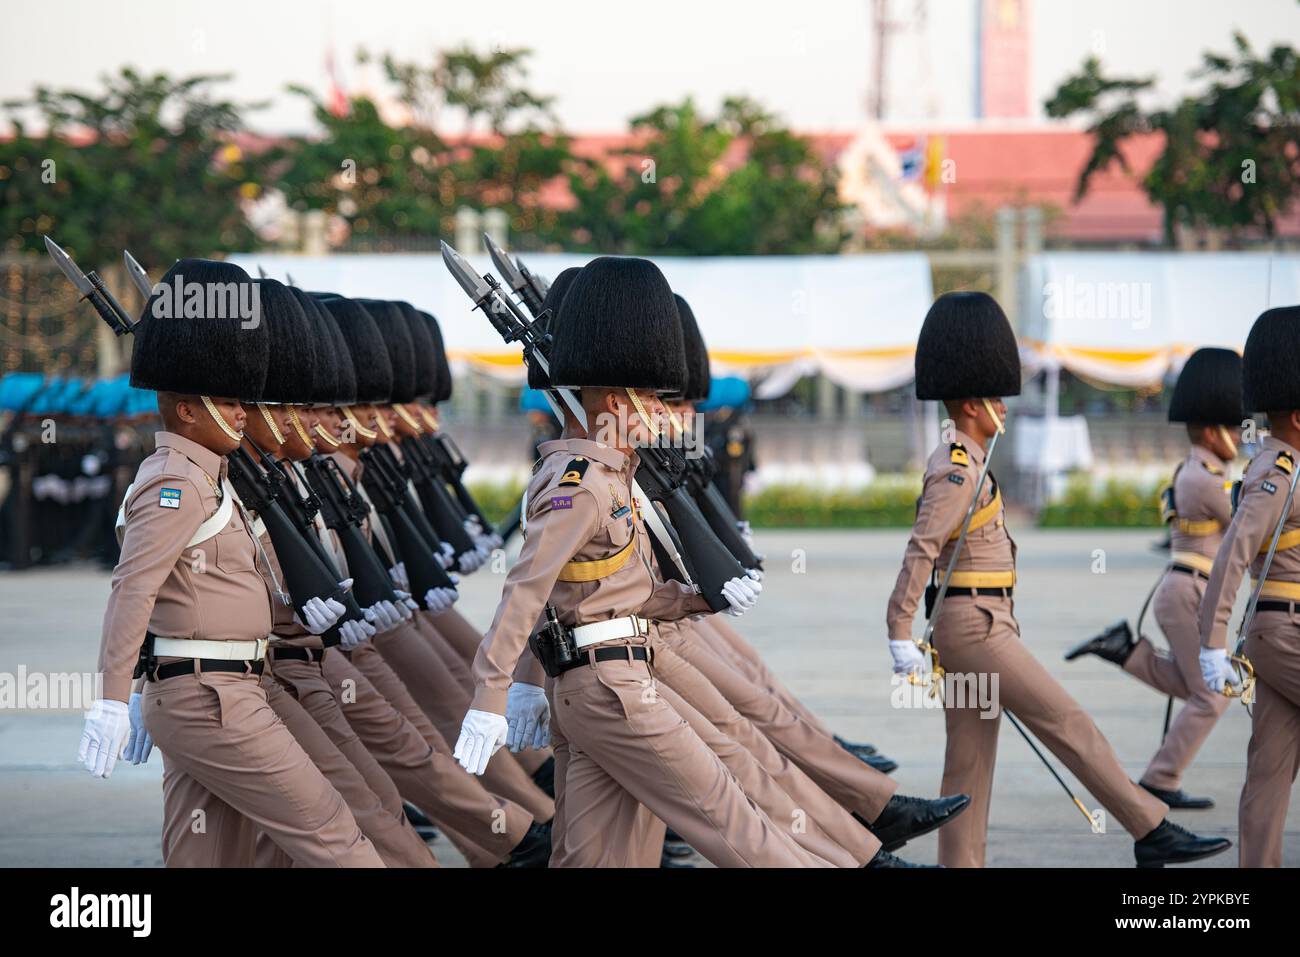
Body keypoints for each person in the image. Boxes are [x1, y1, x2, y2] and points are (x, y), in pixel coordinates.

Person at [456, 256, 837, 866]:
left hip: (603, 683)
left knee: (595, 858)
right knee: (742, 829)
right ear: (611, 398)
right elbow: (525, 592)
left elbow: (619, 593)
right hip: (614, 689)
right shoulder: (579, 483)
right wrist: (492, 692)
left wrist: (701, 597)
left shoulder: (609, 476)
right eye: (651, 400)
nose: (664, 415)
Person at [884, 290, 1232, 869]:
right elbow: (921, 547)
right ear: (972, 403)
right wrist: (898, 629)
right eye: (994, 396)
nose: (1003, 405)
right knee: (1069, 722)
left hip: (976, 620)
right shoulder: (956, 466)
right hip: (975, 627)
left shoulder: (965, 457)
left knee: (968, 765)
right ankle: (1149, 827)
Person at [80, 258, 382, 867]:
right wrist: (115, 697)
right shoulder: (178, 484)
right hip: (211, 699)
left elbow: (180, 596)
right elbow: (133, 590)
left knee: (208, 855)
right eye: (226, 398)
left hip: (214, 690)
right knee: (330, 832)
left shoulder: (211, 480)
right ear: (187, 410)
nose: (243, 410)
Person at [1067, 347, 1240, 808]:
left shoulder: (1196, 470)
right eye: (1233, 427)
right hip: (1188, 592)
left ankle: (1124, 650)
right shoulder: (1207, 479)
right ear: (1209, 429)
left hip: (1183, 588)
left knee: (1194, 687)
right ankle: (1161, 779)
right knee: (1211, 696)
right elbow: (1248, 526)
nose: (1241, 437)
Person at [1198, 305, 1300, 867]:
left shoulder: (1285, 466)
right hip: (1286, 631)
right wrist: (1212, 642)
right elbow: (1233, 553)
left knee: (1268, 773)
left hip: (1278, 632)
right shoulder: (1276, 472)